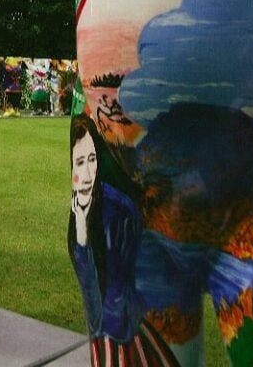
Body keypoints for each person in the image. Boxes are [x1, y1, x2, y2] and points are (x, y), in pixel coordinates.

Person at [67, 115, 176, 367]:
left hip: (122, 319)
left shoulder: (119, 214)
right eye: (79, 164)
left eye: (90, 161)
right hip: (112, 319)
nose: (83, 173)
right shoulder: (92, 205)